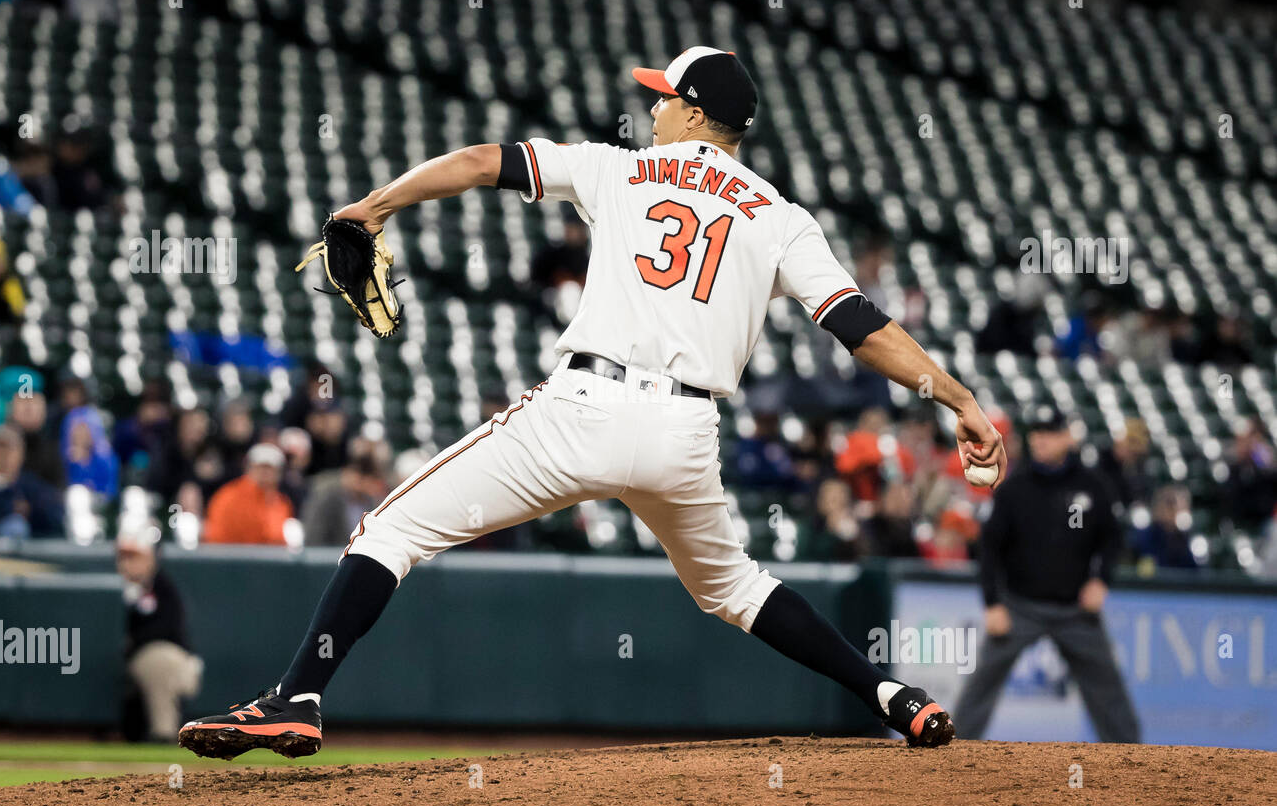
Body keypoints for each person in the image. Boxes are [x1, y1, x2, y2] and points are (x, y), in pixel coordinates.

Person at [179, 46, 1006, 760]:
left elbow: (476, 162)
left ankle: (296, 697)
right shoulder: (781, 218)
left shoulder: (619, 167)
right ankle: (892, 695)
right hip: (686, 434)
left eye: (661, 97)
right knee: (735, 589)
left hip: (585, 406)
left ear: (691, 111)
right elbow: (859, 326)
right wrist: (959, 400)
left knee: (392, 529)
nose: (649, 108)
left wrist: (374, 207)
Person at [955, 404, 1139, 743]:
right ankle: (953, 750)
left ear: (1068, 437)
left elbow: (1112, 539)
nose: (1040, 440)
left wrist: (1101, 580)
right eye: (1036, 433)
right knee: (981, 684)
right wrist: (992, 603)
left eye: (1049, 433)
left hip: (1075, 610)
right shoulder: (1014, 488)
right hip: (1020, 606)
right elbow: (989, 548)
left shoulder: (1092, 485)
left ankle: (1135, 761)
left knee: (1108, 689)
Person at [116, 522, 202, 742]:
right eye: (123, 557)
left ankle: (163, 735)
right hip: (123, 662)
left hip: (168, 660)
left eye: (134, 557)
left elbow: (170, 627)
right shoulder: (113, 589)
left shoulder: (163, 587)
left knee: (159, 660)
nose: (127, 563)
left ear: (151, 558)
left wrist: (132, 642)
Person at [0, 425, 63, 537]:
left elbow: (54, 515)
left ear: (21, 454)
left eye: (10, 448)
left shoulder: (31, 486)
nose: (4, 454)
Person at [201, 443, 294, 545]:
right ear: (249, 468)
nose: (265, 473)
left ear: (279, 473)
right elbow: (217, 536)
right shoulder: (228, 497)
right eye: (260, 467)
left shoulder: (282, 503)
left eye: (270, 468)